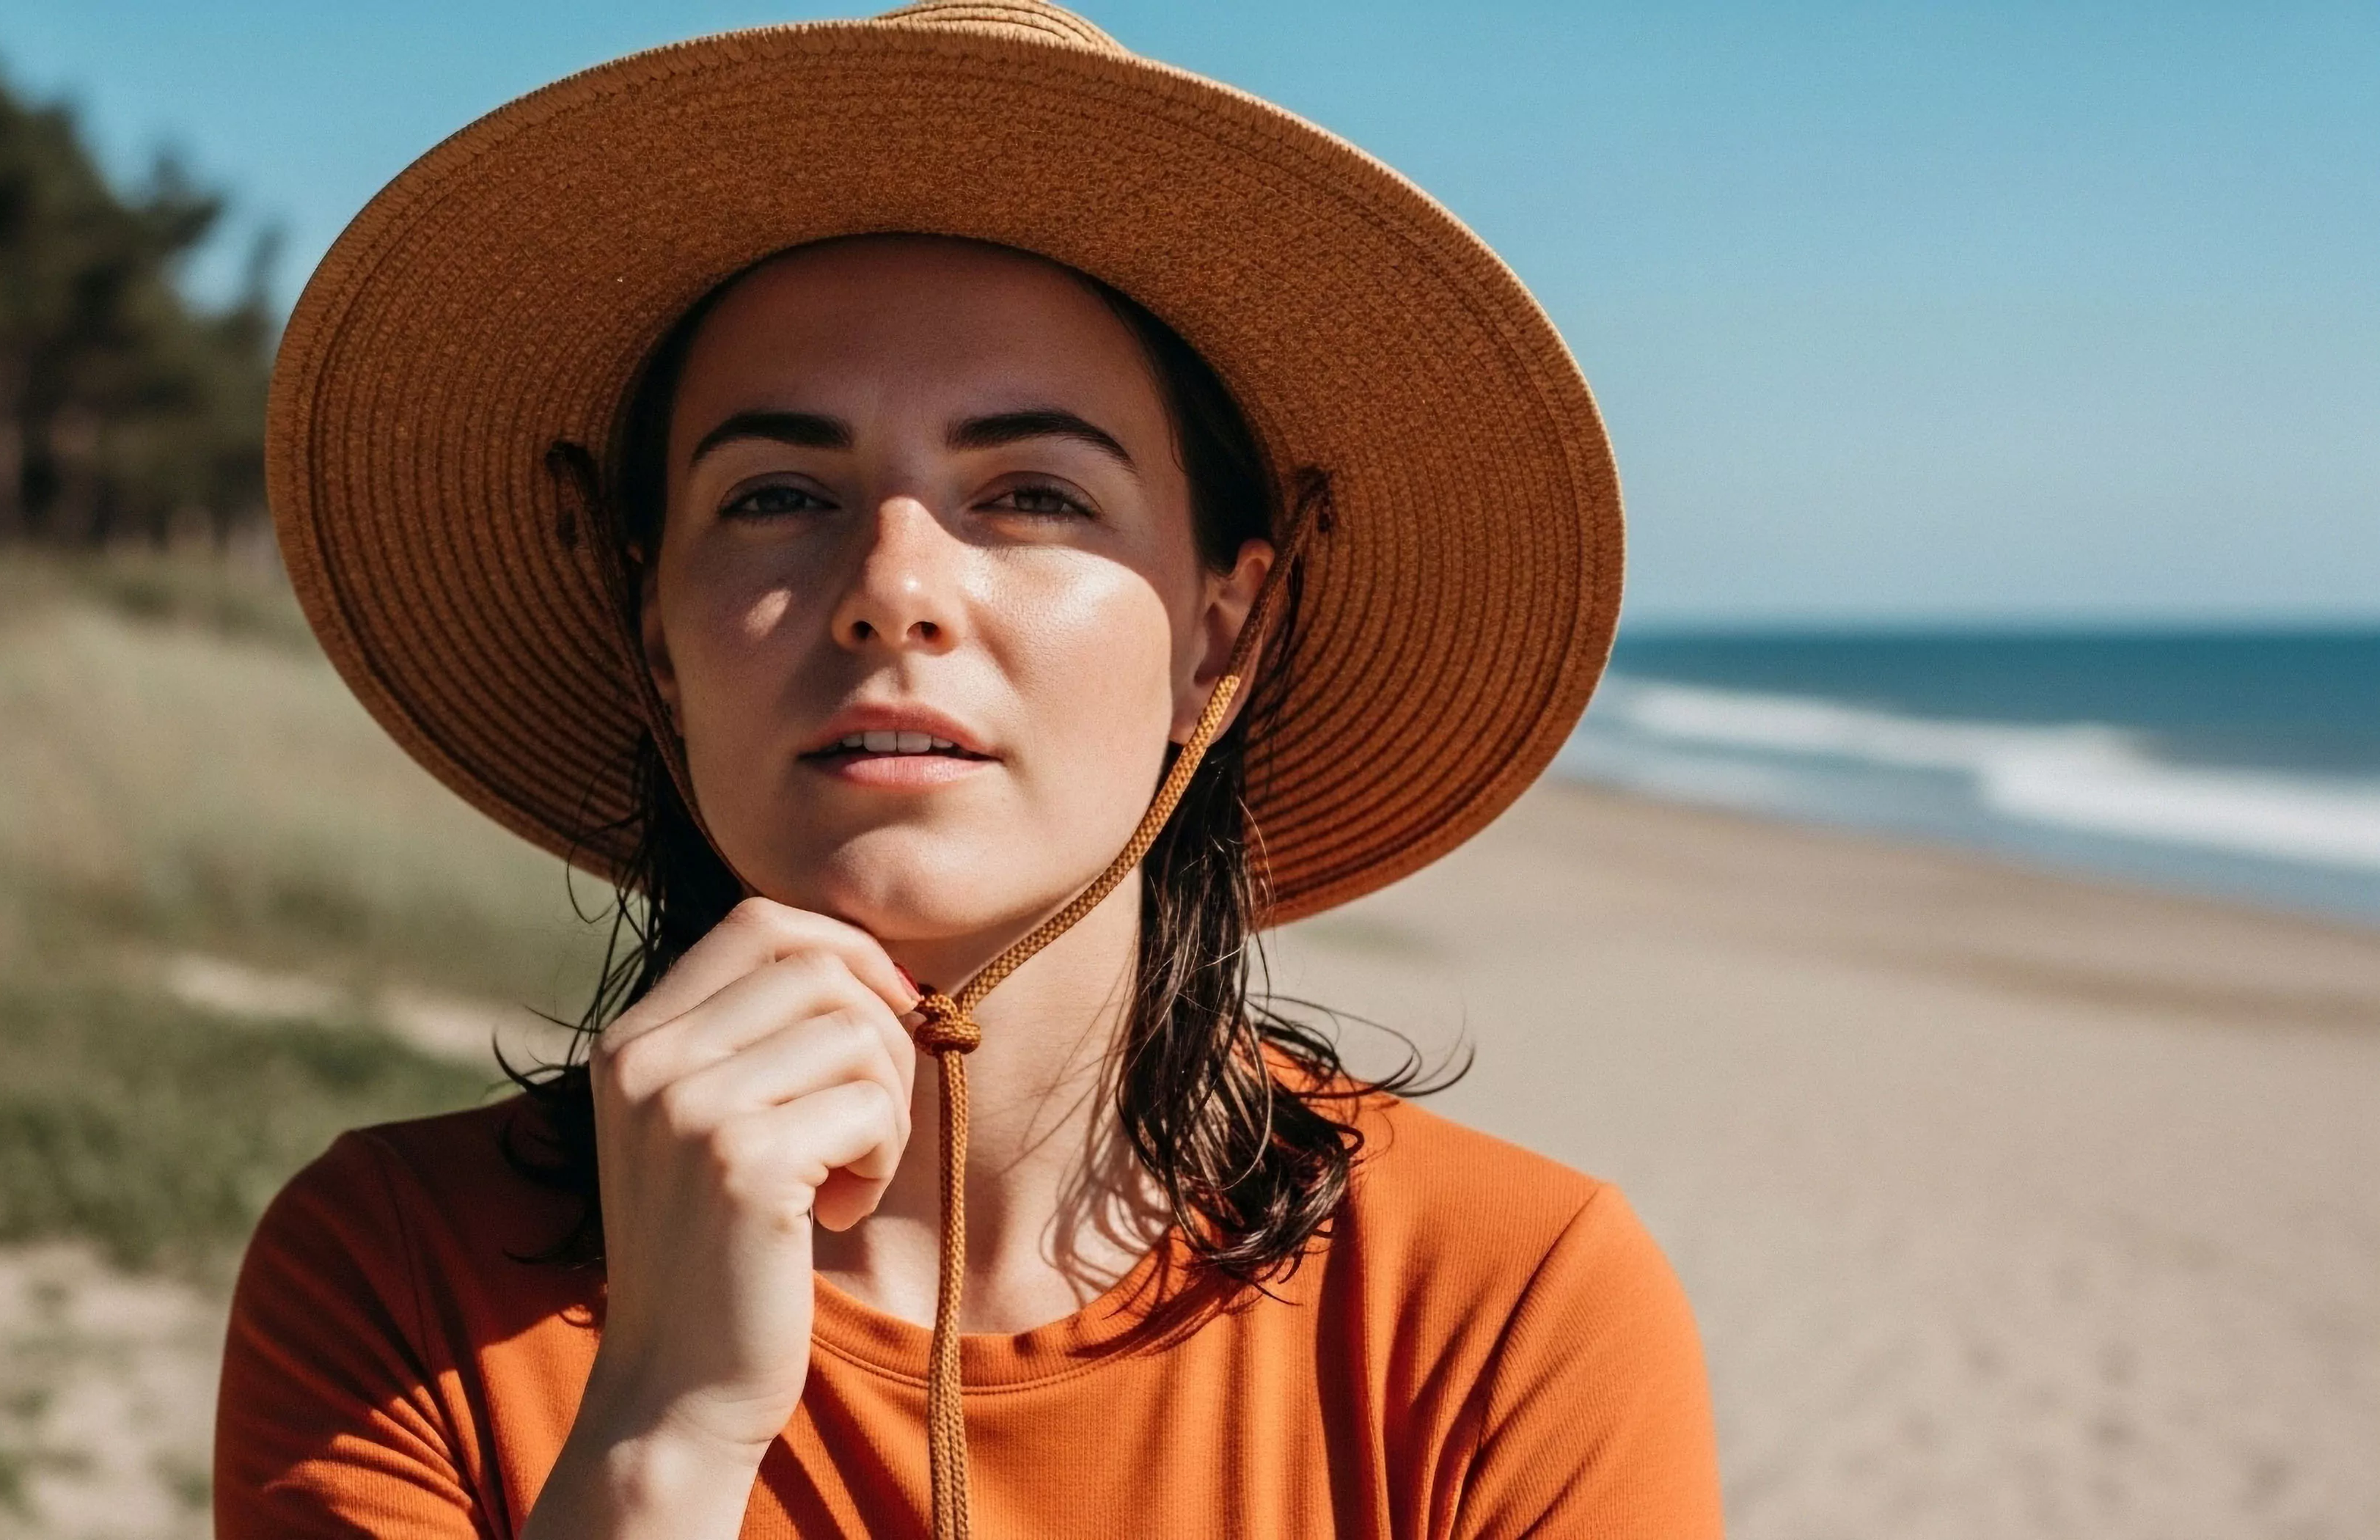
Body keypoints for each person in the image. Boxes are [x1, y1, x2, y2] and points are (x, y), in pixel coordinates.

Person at [218, 4, 1721, 1536]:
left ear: (1222, 632)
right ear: (652, 632)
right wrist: (664, 1431)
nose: (891, 583)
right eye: (778, 492)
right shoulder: (395, 1277)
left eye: (1031, 493)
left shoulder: (1500, 1309)